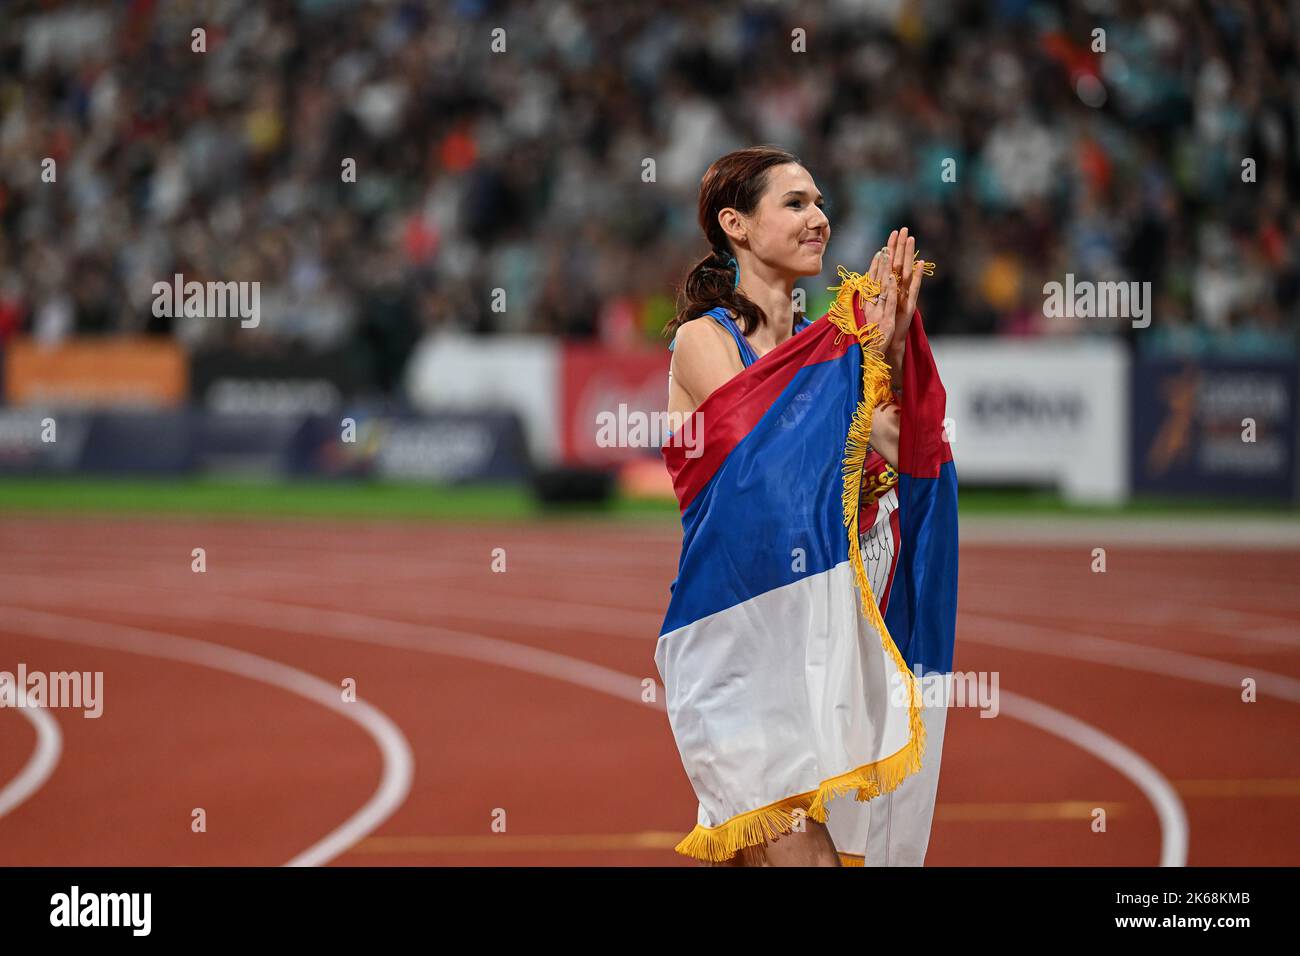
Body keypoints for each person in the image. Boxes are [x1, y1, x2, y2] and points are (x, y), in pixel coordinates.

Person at [661, 146, 928, 866]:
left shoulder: (827, 357)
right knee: (801, 856)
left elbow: (911, 452)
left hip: (818, 640)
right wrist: (853, 340)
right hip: (737, 637)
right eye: (796, 203)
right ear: (736, 225)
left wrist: (893, 349)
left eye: (819, 203)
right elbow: (767, 448)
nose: (820, 219)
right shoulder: (701, 341)